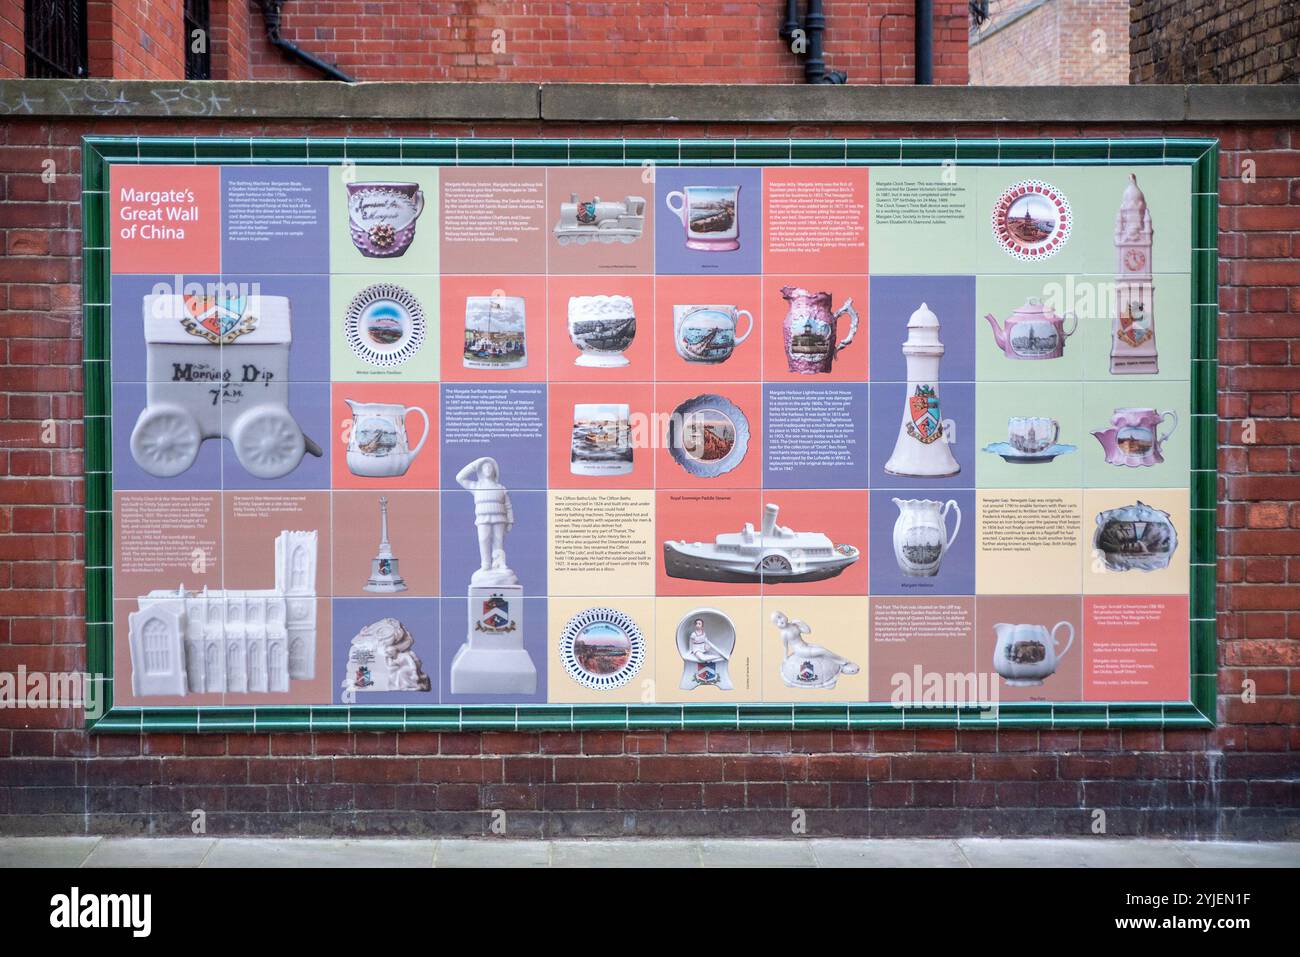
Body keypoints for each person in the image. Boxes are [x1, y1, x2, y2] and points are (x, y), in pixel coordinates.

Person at [456, 456, 515, 583]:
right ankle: (486, 564)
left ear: (495, 470)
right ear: (480, 470)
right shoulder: (475, 486)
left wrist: (510, 520)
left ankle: (499, 563)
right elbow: (459, 478)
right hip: (483, 518)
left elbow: (508, 506)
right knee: (483, 539)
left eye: (490, 467)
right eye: (484, 467)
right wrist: (474, 465)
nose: (488, 469)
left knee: (498, 540)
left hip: (499, 517)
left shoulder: (501, 488)